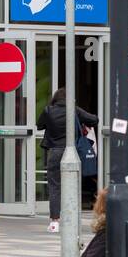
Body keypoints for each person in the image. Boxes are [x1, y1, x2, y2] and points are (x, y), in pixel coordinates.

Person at [36, 87, 98, 234]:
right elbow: (94, 119)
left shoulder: (48, 110)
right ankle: (72, 218)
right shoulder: (74, 110)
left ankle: (54, 222)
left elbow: (39, 125)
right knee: (74, 184)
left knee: (54, 186)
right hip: (73, 151)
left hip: (55, 152)